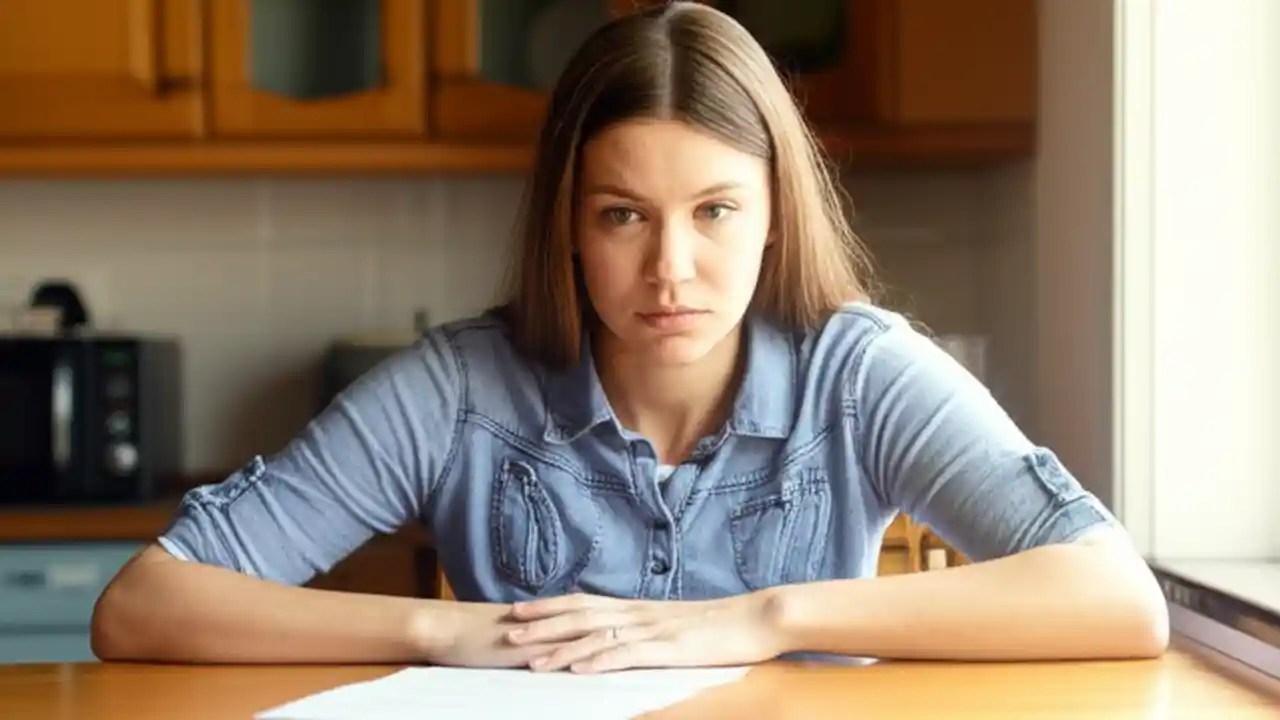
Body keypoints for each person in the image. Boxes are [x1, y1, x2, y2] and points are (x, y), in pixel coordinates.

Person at [92, 2, 1168, 673]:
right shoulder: (460, 387)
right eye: (622, 215)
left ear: (774, 216)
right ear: (568, 222)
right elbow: (145, 606)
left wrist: (766, 618)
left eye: (713, 212)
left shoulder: (858, 371)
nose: (669, 269)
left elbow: (1116, 600)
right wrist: (452, 632)